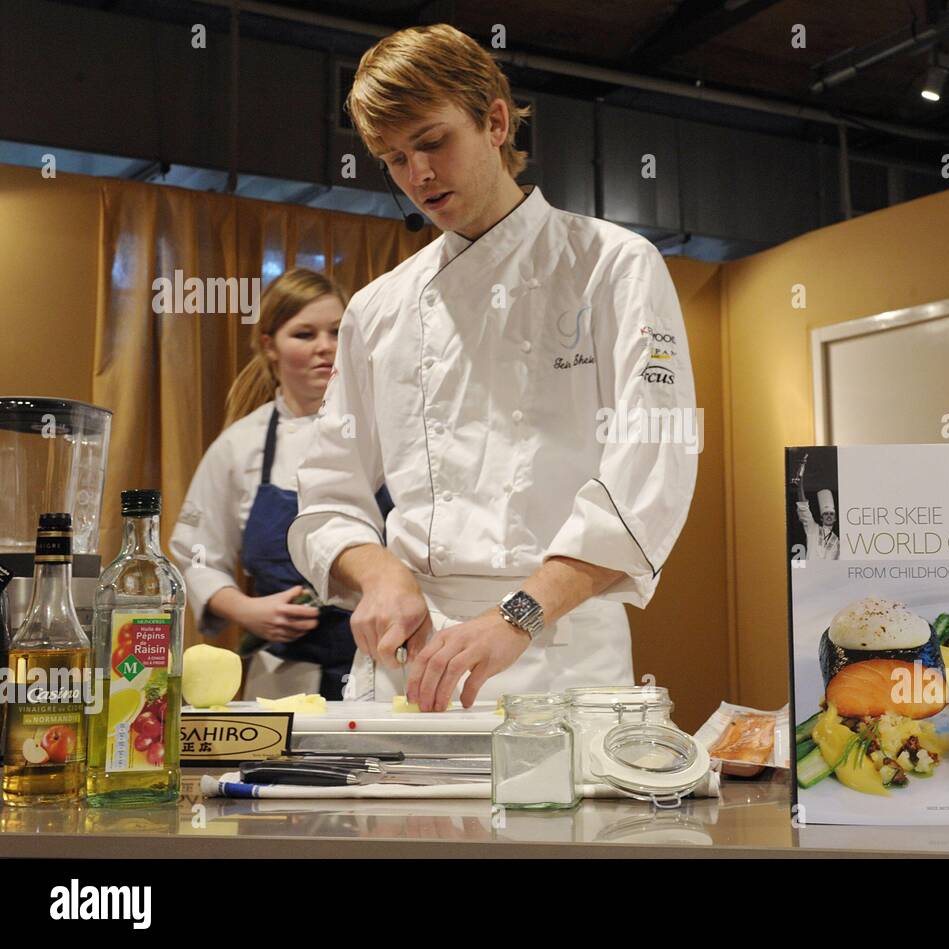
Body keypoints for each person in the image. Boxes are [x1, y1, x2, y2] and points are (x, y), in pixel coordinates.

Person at [287, 24, 698, 712]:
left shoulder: (613, 266)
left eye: (432, 141)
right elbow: (329, 490)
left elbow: (653, 469)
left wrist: (519, 617)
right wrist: (379, 572)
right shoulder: (378, 307)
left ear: (496, 121)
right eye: (393, 158)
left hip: (558, 654)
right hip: (411, 660)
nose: (417, 174)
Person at [171, 269, 391, 700]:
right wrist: (246, 609)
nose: (325, 348)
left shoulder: (392, 431)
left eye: (336, 331)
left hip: (389, 668)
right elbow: (194, 553)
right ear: (269, 346)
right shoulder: (240, 445)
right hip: (284, 679)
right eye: (304, 334)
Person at [792, 454, 839, 560]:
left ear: (835, 518)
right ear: (821, 518)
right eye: (826, 514)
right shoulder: (813, 529)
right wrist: (800, 483)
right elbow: (804, 507)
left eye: (831, 514)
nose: (828, 516)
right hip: (810, 571)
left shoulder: (837, 541)